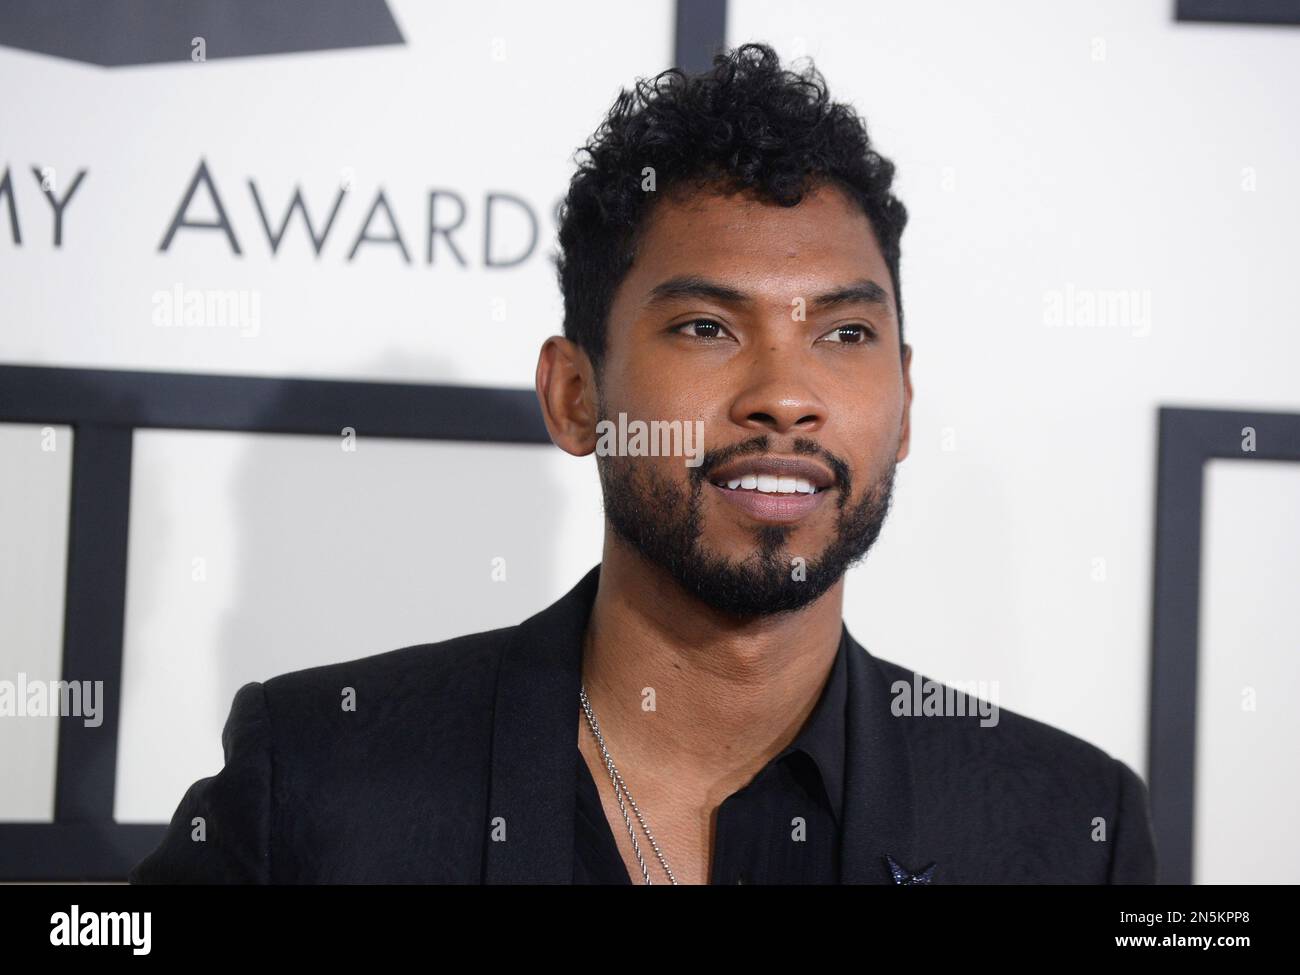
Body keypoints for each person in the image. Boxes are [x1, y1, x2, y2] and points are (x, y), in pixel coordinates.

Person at [130, 42, 1157, 885]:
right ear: (577, 398)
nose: (785, 393)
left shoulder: (1071, 829)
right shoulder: (316, 778)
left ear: (903, 408)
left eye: (844, 335)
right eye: (708, 326)